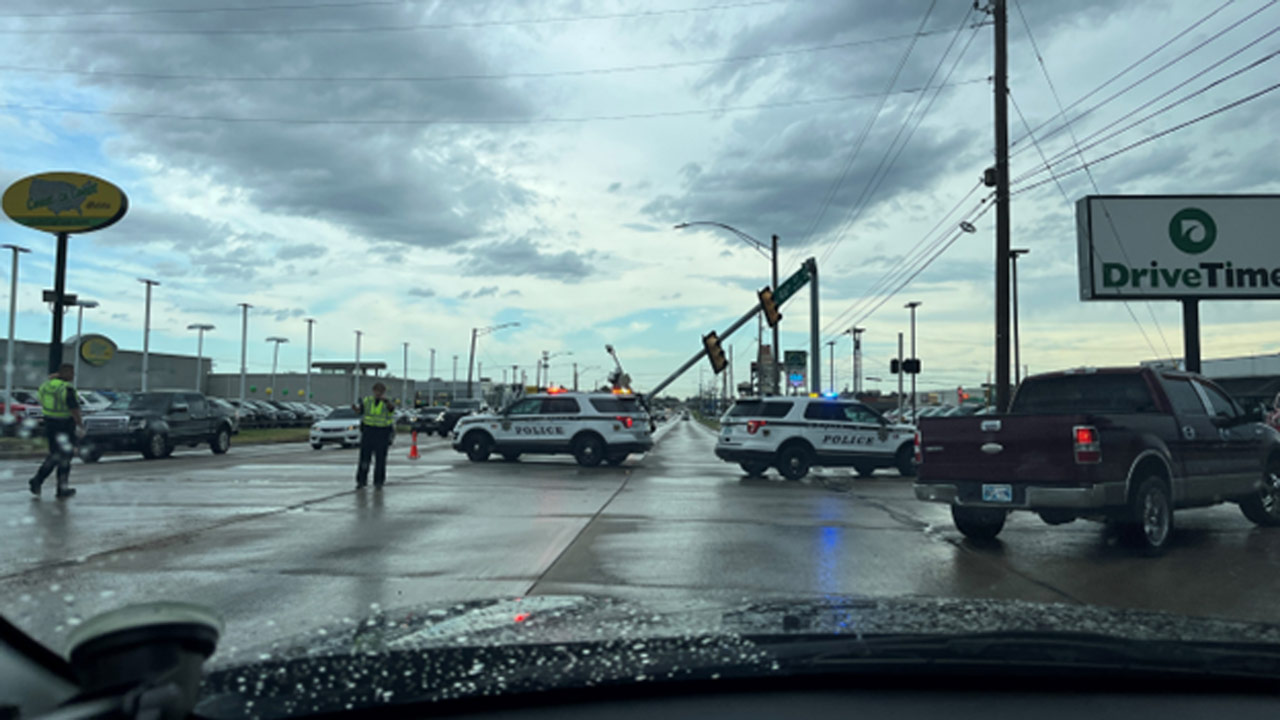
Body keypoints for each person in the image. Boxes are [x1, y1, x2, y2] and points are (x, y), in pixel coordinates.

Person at [28, 364, 85, 499]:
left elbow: (41, 399)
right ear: (66, 373)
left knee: (55, 454)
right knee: (65, 457)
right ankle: (55, 486)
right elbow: (74, 409)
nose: (73, 376)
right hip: (65, 425)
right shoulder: (67, 388)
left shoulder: (46, 386)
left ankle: (41, 481)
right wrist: (80, 425)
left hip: (50, 423)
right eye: (72, 373)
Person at [353, 382, 395, 489]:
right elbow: (360, 411)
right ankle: (361, 481)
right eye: (376, 391)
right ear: (373, 391)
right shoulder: (367, 401)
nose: (378, 393)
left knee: (380, 460)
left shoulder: (387, 402)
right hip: (368, 432)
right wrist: (355, 409)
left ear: (384, 392)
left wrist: (386, 402)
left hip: (382, 433)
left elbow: (391, 409)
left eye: (380, 392)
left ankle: (379, 481)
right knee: (364, 459)